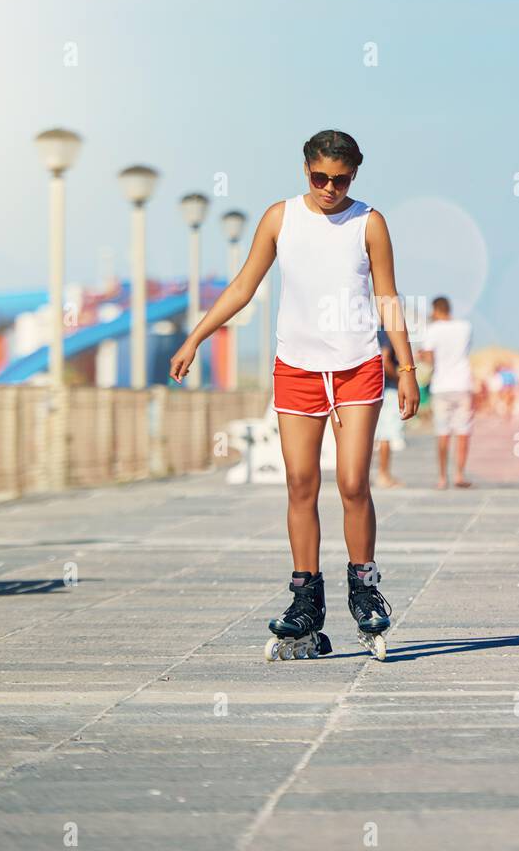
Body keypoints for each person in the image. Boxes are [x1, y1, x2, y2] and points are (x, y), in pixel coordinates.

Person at [169, 130, 420, 658]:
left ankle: (365, 589)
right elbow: (243, 286)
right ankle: (305, 601)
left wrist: (408, 366)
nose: (329, 188)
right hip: (297, 368)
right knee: (301, 484)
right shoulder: (280, 218)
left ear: (355, 175)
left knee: (353, 483)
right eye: (320, 177)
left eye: (341, 179)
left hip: (357, 367)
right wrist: (196, 336)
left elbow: (388, 296)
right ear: (305, 169)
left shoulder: (369, 223)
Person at [418, 297, 474, 489]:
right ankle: (460, 474)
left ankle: (442, 477)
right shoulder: (465, 326)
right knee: (463, 432)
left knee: (442, 432)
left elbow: (427, 359)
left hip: (441, 386)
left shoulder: (433, 330)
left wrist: (422, 353)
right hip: (463, 384)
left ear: (435, 310)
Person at [374, 327, 405, 487]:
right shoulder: (387, 332)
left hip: (372, 387)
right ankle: (383, 474)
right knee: (386, 435)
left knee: (375, 435)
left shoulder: (372, 329)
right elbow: (385, 360)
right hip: (388, 388)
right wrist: (401, 378)